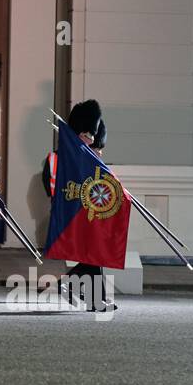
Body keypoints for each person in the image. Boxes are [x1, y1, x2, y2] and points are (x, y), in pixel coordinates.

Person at [54, 99, 116, 312]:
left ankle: (95, 299)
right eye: (87, 135)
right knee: (93, 255)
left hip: (89, 210)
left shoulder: (85, 154)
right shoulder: (70, 155)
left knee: (94, 254)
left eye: (92, 135)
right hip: (78, 212)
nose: (90, 139)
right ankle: (73, 285)